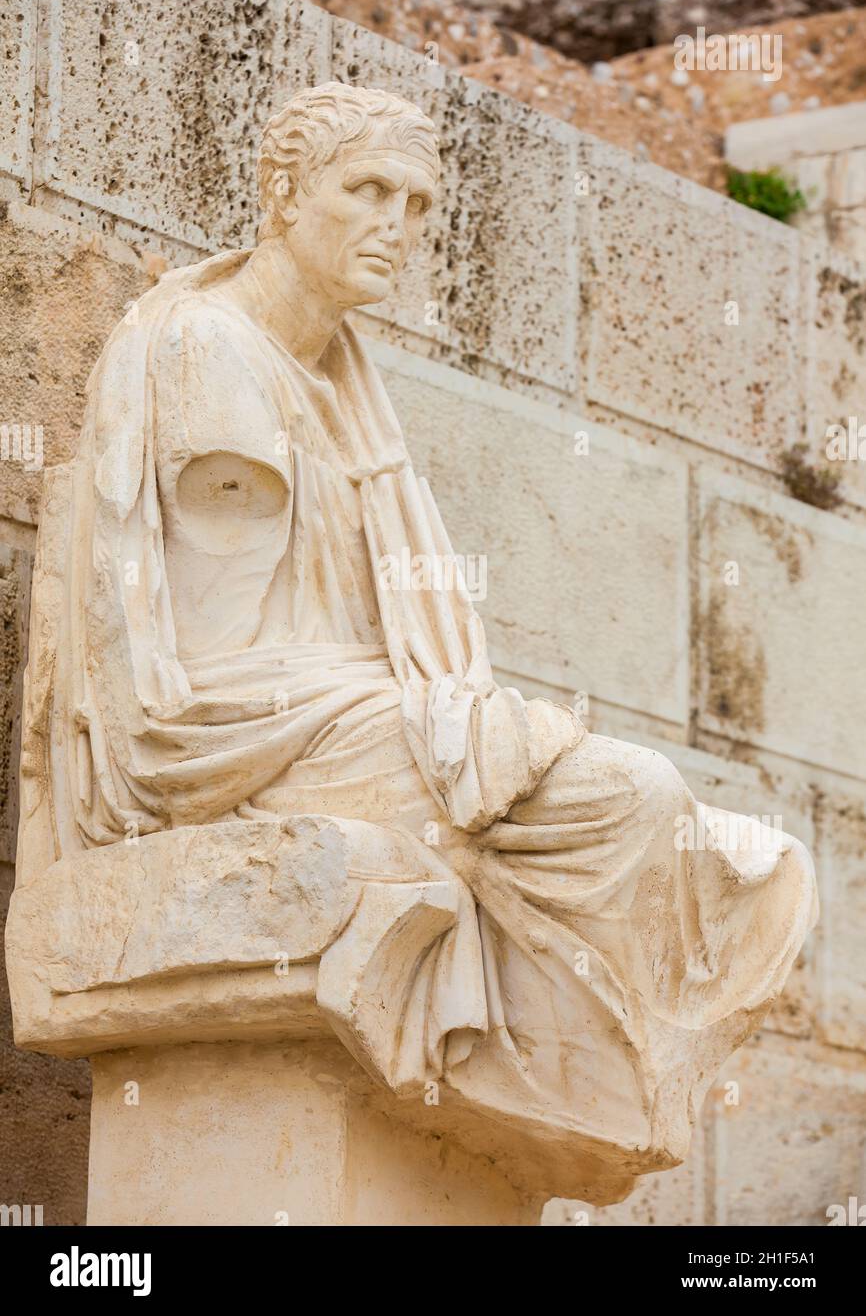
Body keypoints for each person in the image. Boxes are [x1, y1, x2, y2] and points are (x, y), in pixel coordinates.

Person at [43, 82, 817, 1184]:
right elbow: (211, 671)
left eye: (416, 205)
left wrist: (452, 715)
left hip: (321, 712)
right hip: (220, 735)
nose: (395, 228)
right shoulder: (211, 351)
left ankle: (577, 1071)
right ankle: (580, 1071)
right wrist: (448, 720)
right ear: (283, 194)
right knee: (624, 796)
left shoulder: (342, 376)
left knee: (617, 793)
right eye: (365, 191)